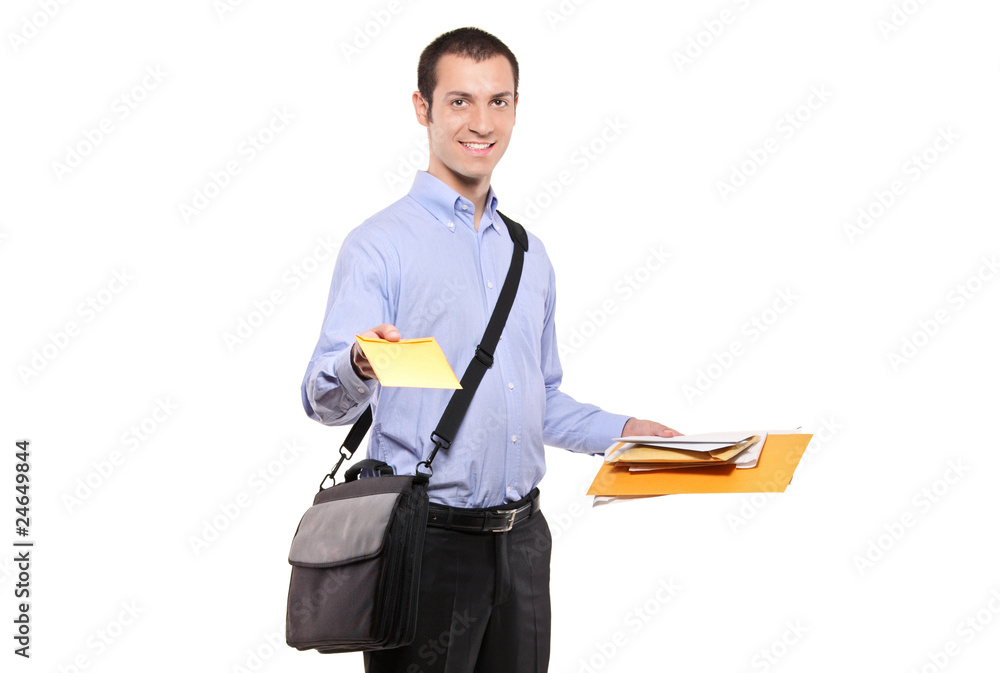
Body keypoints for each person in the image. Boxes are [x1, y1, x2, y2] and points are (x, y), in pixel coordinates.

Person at [301, 26, 680, 673]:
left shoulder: (528, 254)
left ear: (515, 108)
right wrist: (359, 363)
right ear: (422, 108)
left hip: (524, 544)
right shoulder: (379, 246)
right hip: (424, 543)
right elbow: (321, 399)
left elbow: (541, 399)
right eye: (460, 101)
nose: (482, 123)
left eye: (498, 101)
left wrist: (624, 433)